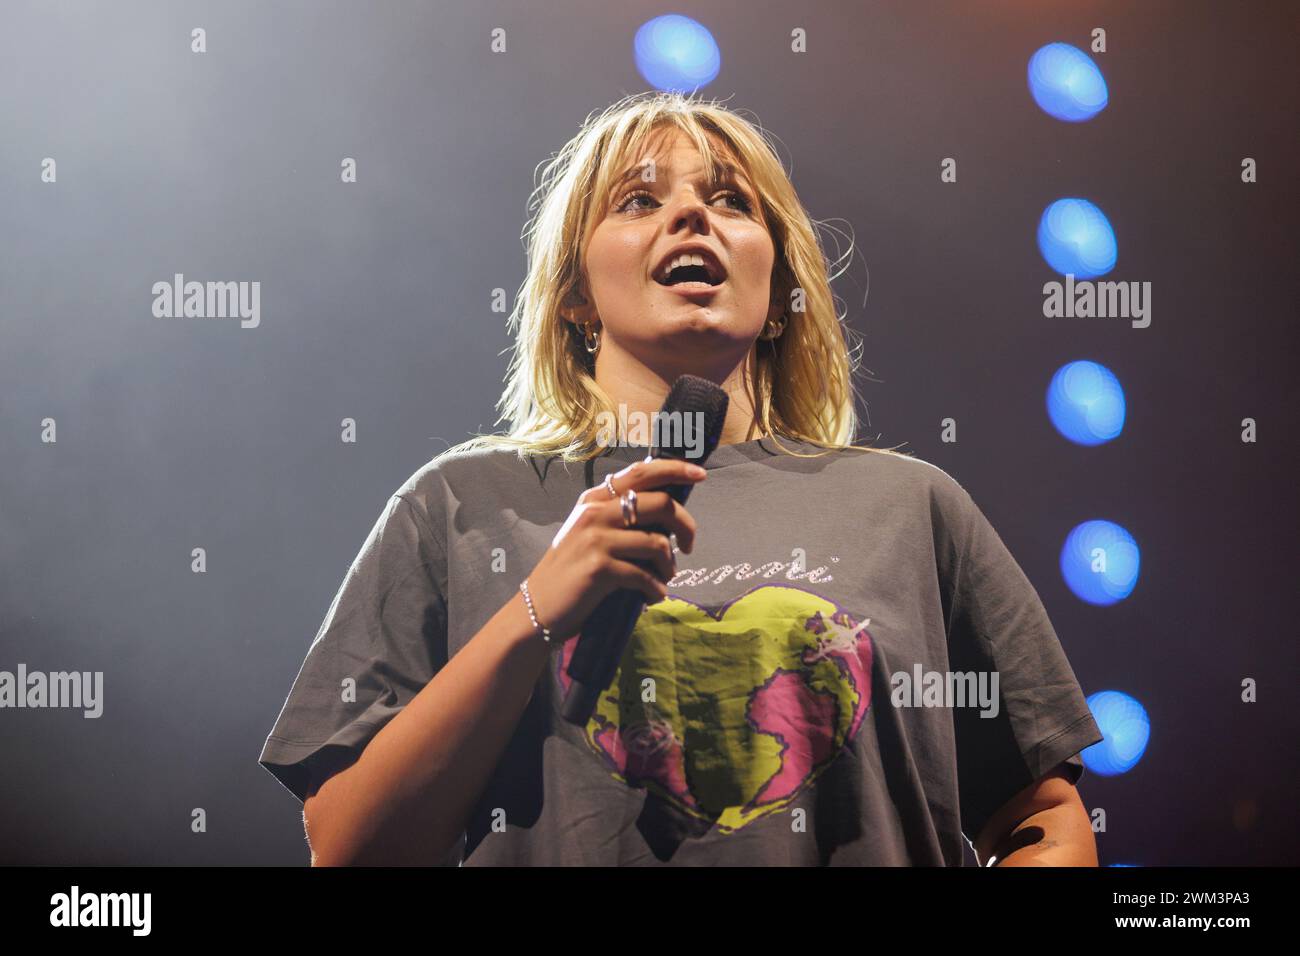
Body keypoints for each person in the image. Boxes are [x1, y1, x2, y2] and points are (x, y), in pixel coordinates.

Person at [258, 91, 1104, 866]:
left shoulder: (913, 507)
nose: (692, 213)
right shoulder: (458, 507)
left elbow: (1042, 815)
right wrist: (534, 612)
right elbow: (348, 845)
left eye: (731, 200)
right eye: (639, 200)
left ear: (779, 296)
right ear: (574, 297)